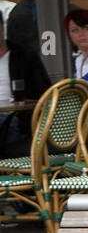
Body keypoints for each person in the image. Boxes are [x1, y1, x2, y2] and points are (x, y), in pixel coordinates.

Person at [0, 14, 51, 158]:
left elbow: (43, 91)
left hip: (17, 116)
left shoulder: (23, 55)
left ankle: (8, 167)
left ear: (2, 28)